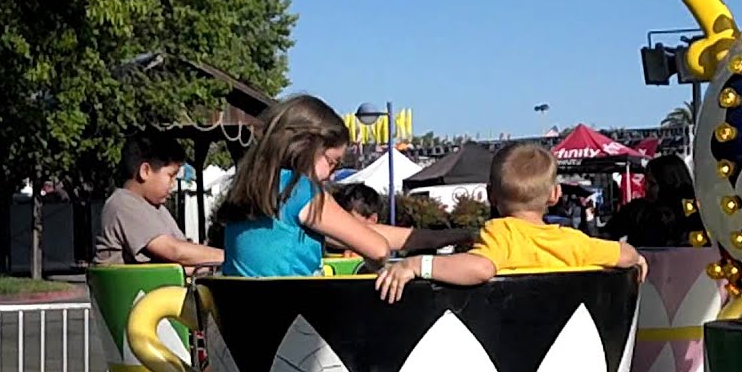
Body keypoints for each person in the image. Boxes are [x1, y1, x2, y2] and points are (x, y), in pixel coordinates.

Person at [218, 94, 474, 277]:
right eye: (332, 162)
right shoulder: (301, 190)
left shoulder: (251, 190)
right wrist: (384, 268)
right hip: (295, 328)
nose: (332, 174)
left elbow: (361, 233)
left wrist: (449, 236)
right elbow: (377, 247)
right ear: (306, 146)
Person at [374, 142, 648, 303]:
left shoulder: (500, 233)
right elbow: (623, 254)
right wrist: (636, 257)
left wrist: (415, 264)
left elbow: (480, 267)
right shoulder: (573, 240)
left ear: (490, 195)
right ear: (555, 194)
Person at [93, 132, 224, 270]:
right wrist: (228, 257)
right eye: (171, 175)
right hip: (132, 289)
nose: (173, 184)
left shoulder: (157, 208)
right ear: (145, 171)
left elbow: (182, 254)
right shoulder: (122, 204)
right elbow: (175, 251)